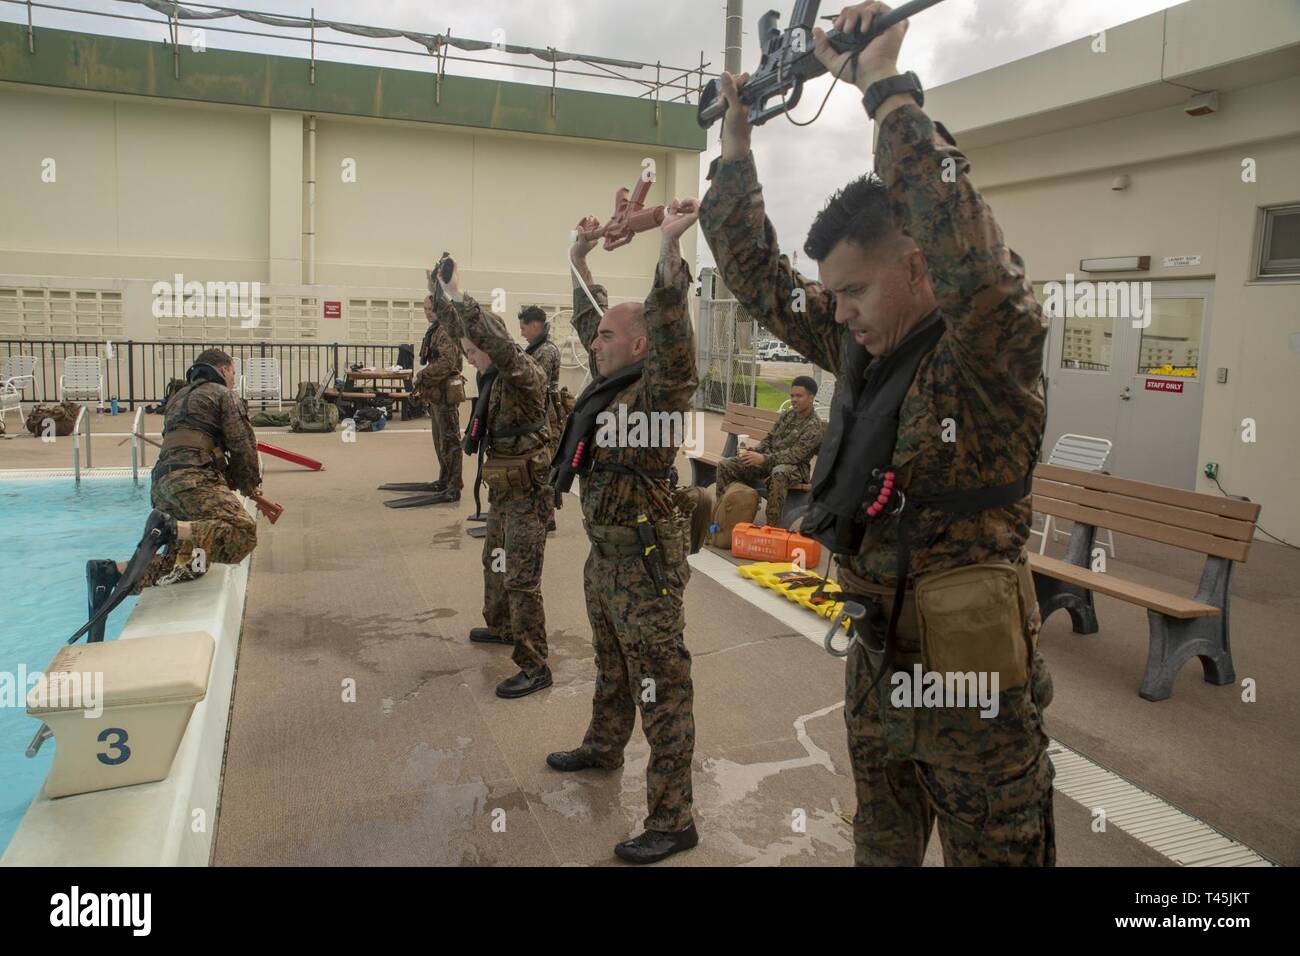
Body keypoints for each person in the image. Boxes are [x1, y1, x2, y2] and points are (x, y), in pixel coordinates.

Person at [699, 1, 1054, 866]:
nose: (839, 311)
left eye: (855, 290)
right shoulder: (861, 347)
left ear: (919, 267)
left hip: (974, 702)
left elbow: (977, 266)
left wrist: (888, 93)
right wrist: (737, 149)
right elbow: (760, 283)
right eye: (835, 295)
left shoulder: (986, 359)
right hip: (877, 668)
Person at [546, 198, 700, 864]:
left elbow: (674, 339)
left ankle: (674, 817)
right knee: (612, 666)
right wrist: (578, 257)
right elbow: (591, 313)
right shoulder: (608, 386)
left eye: (608, 336)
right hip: (604, 559)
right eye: (598, 335)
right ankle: (604, 747)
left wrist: (668, 249)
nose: (595, 341)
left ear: (641, 344)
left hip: (643, 563)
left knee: (661, 687)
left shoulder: (657, 391)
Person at [79, 348, 261, 642]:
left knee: (189, 565)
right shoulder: (224, 395)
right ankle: (170, 528)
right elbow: (243, 446)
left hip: (162, 485)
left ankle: (111, 572)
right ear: (224, 369)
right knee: (243, 533)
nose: (234, 379)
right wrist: (249, 485)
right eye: (233, 372)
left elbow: (192, 442)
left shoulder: (177, 398)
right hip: (193, 479)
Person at [434, 264, 556, 699]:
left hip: (528, 491)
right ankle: (502, 626)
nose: (468, 358)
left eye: (472, 351)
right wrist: (440, 295)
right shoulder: (492, 379)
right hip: (506, 486)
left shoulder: (521, 374)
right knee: (496, 561)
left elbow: (496, 344)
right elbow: (462, 332)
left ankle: (535, 663)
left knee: (522, 578)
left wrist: (459, 293)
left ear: (490, 345)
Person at [382, 294, 465, 506]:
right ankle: (444, 480)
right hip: (437, 394)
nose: (428, 312)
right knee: (440, 442)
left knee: (450, 442)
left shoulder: (446, 330)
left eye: (432, 309)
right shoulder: (436, 329)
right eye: (426, 308)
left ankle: (453, 487)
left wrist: (422, 375)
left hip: (446, 394)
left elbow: (447, 363)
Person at [714, 375, 825, 527]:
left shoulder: (814, 426)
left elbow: (795, 455)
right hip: (769, 461)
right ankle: (725, 515)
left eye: (799, 396)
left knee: (779, 473)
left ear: (811, 398)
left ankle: (771, 527)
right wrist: (755, 450)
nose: (794, 399)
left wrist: (763, 458)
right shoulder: (787, 414)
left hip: (794, 469)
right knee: (726, 465)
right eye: (792, 395)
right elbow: (770, 438)